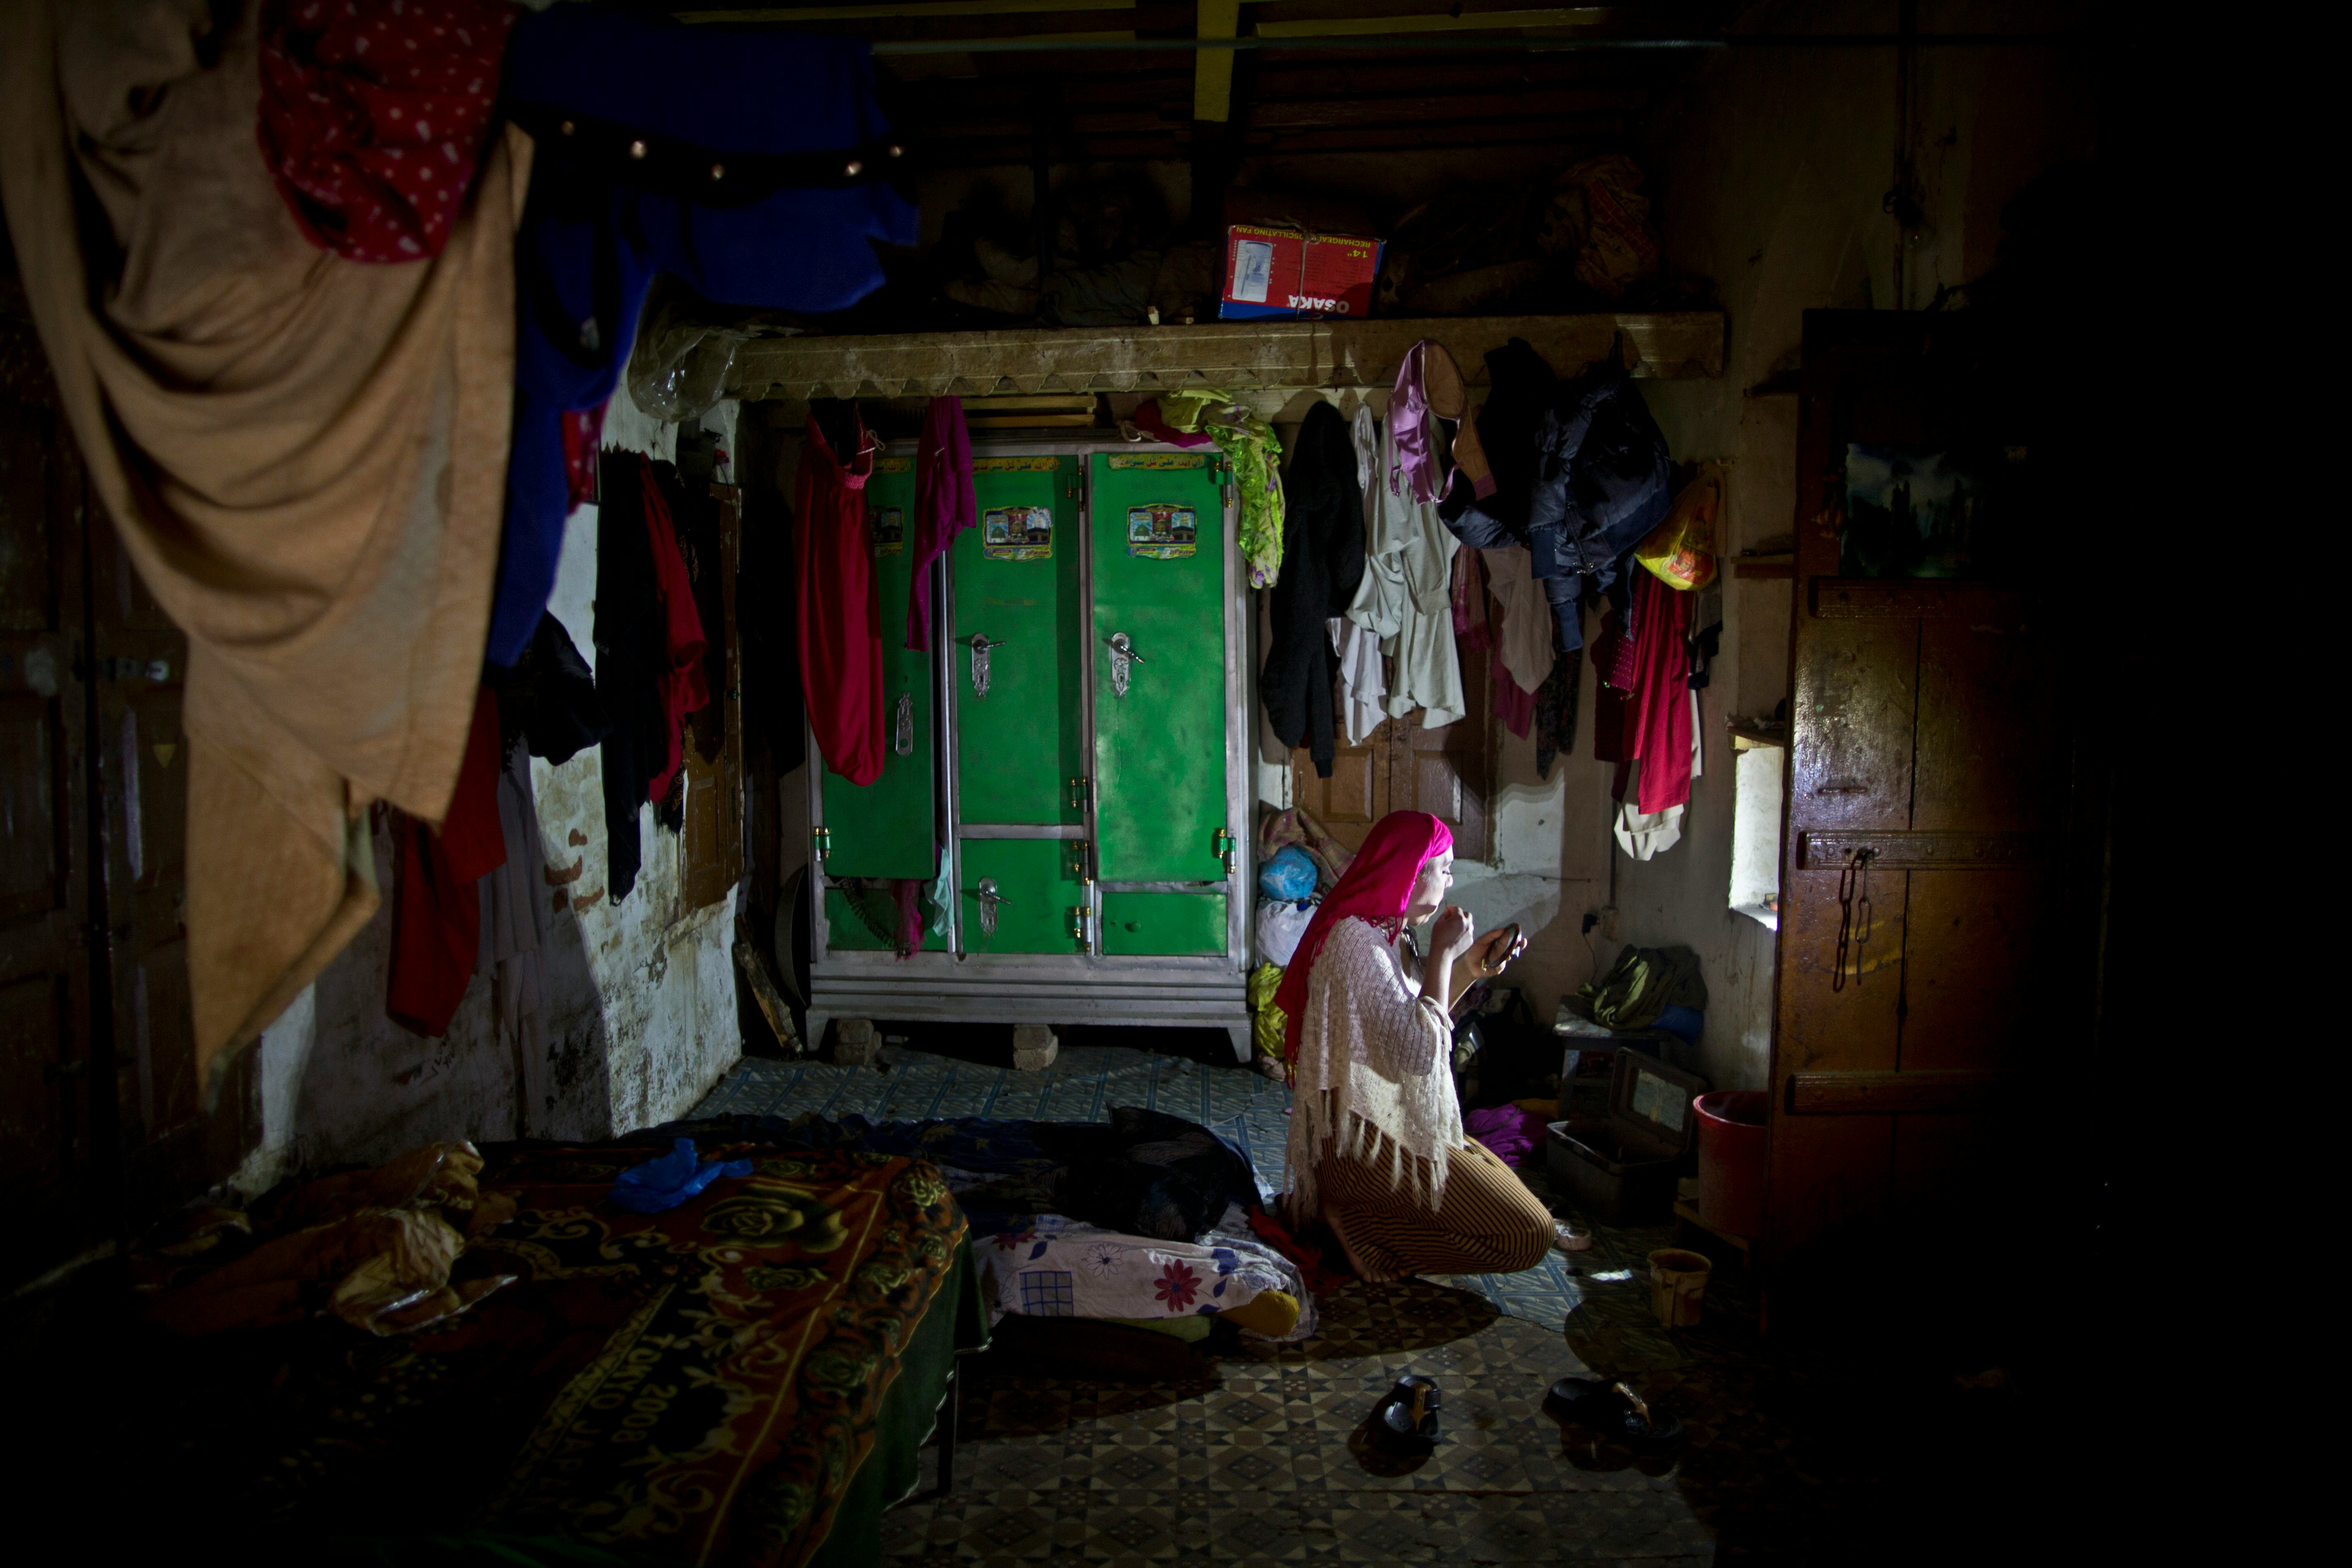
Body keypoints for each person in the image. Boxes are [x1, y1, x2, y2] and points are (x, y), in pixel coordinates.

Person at [1275, 809, 1576, 1282]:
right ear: (1412, 871)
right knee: (1527, 1235)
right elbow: (1417, 1056)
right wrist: (1442, 953)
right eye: (1444, 868)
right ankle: (1357, 1222)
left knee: (1486, 1167)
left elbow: (1412, 1026)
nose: (1449, 881)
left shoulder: (1381, 932)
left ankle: (1342, 1210)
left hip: (1372, 1128)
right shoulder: (1359, 944)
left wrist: (1471, 966)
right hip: (1361, 1147)